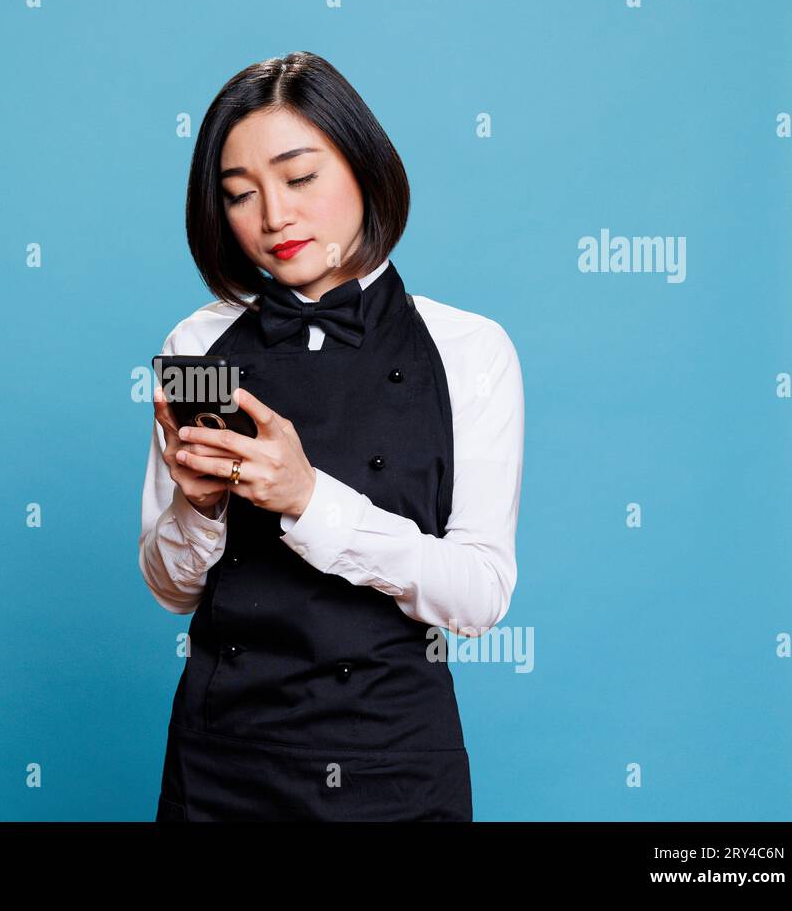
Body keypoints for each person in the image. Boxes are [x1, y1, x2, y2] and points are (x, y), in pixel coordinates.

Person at [139, 51, 524, 821]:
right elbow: (170, 588)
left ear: (363, 166)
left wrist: (308, 498)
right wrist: (200, 509)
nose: (273, 217)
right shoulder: (198, 342)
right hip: (223, 766)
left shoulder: (470, 349)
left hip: (395, 766)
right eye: (240, 195)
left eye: (300, 177)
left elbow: (480, 595)